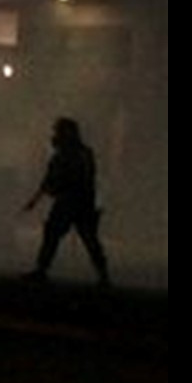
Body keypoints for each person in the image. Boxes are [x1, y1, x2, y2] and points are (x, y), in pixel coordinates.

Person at [21, 116, 112, 286]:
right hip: (79, 201)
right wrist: (36, 199)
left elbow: (57, 180)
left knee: (67, 236)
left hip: (72, 201)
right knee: (72, 237)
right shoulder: (78, 153)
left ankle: (43, 270)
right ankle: (102, 274)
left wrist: (37, 199)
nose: (54, 135)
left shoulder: (72, 154)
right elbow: (50, 180)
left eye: (58, 131)